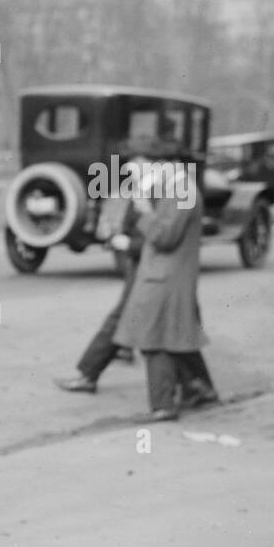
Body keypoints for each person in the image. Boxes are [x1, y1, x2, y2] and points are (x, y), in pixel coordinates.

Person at [112, 167, 219, 421]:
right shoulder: (179, 191)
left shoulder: (182, 193)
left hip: (165, 278)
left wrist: (144, 212)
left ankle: (164, 405)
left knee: (155, 339)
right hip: (168, 277)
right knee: (176, 336)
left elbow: (164, 236)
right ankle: (199, 388)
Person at [54, 201, 143, 393]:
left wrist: (128, 242)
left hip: (147, 270)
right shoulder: (145, 187)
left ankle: (89, 374)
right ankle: (198, 384)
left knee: (119, 319)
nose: (130, 168)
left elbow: (157, 234)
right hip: (139, 266)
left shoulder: (156, 189)